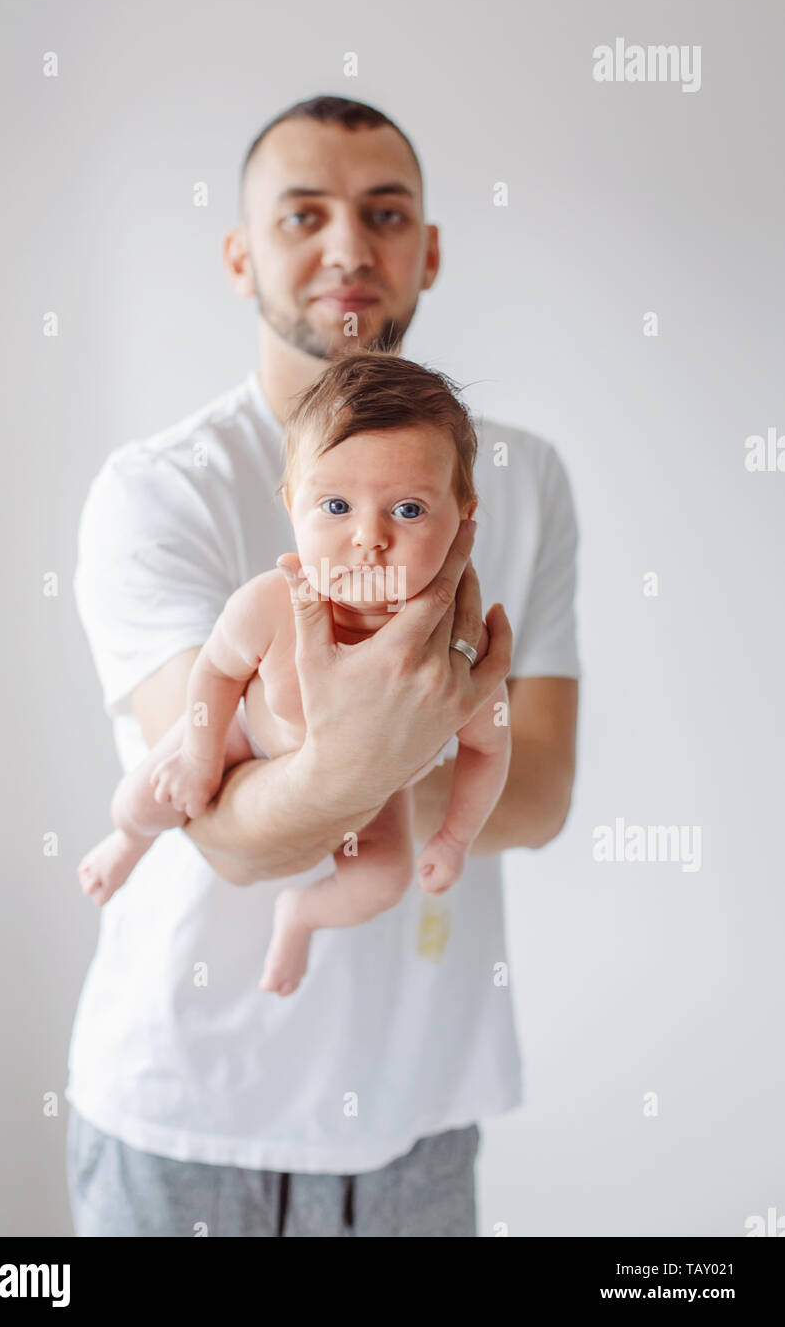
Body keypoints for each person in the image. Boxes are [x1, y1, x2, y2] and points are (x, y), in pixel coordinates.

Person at [66, 94, 581, 1238]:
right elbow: (228, 832)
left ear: (428, 251)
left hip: (418, 1115)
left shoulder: (527, 482)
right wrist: (395, 749)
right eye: (302, 215)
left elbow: (537, 791)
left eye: (384, 213)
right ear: (241, 254)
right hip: (189, 1118)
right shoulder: (160, 490)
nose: (348, 246)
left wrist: (383, 786)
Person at [76, 352, 512, 999]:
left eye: (410, 511)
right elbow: (217, 677)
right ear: (291, 503)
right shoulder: (271, 605)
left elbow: (488, 748)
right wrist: (201, 756)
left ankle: (301, 917)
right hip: (247, 737)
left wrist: (453, 837)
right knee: (145, 794)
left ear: (463, 518)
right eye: (335, 504)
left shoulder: (452, 662)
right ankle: (128, 843)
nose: (369, 537)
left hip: (382, 789)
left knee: (384, 880)